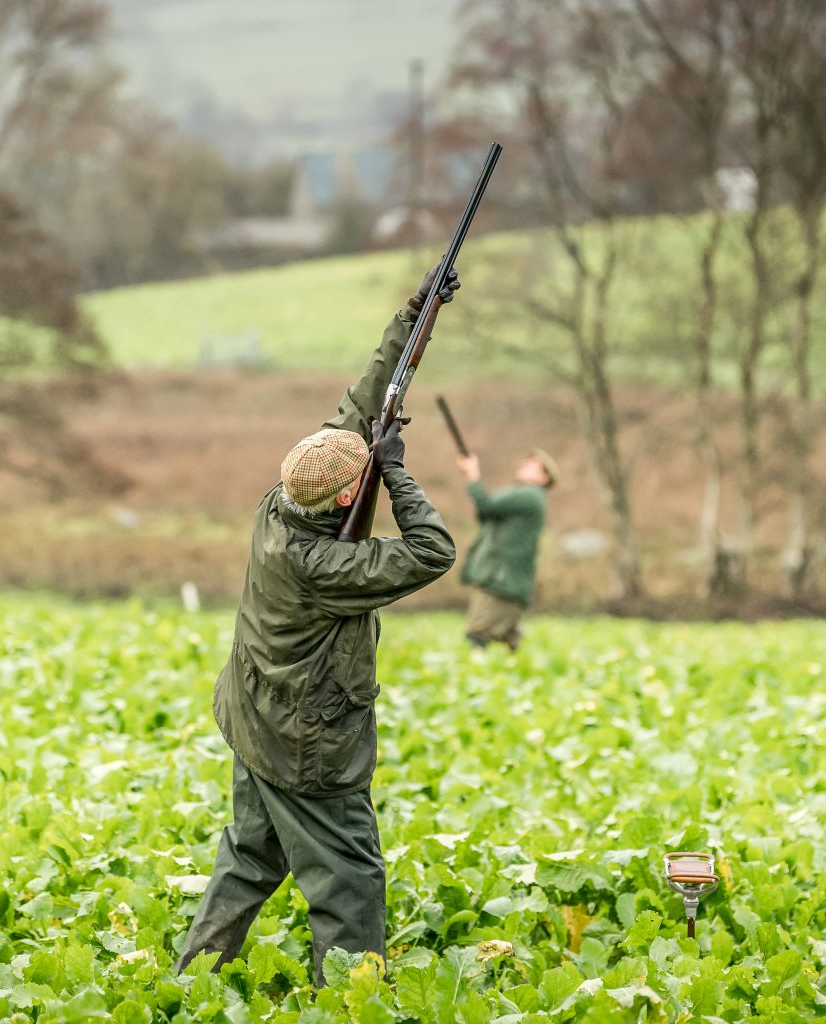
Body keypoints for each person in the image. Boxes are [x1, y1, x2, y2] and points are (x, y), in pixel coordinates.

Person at [175, 266, 460, 985]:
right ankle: (350, 1003)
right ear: (345, 499)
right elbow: (434, 550)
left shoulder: (284, 500)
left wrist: (414, 313)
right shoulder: (318, 566)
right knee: (351, 878)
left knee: (248, 858)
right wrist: (396, 474)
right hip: (304, 744)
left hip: (253, 719)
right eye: (360, 479)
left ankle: (190, 983)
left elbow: (361, 405)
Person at [454, 449, 557, 651]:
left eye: (532, 465)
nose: (524, 465)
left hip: (500, 581)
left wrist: (473, 474)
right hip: (505, 580)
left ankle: (479, 677)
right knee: (511, 641)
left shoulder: (529, 496)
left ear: (544, 478)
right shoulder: (526, 496)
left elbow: (486, 506)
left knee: (477, 636)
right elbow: (487, 513)